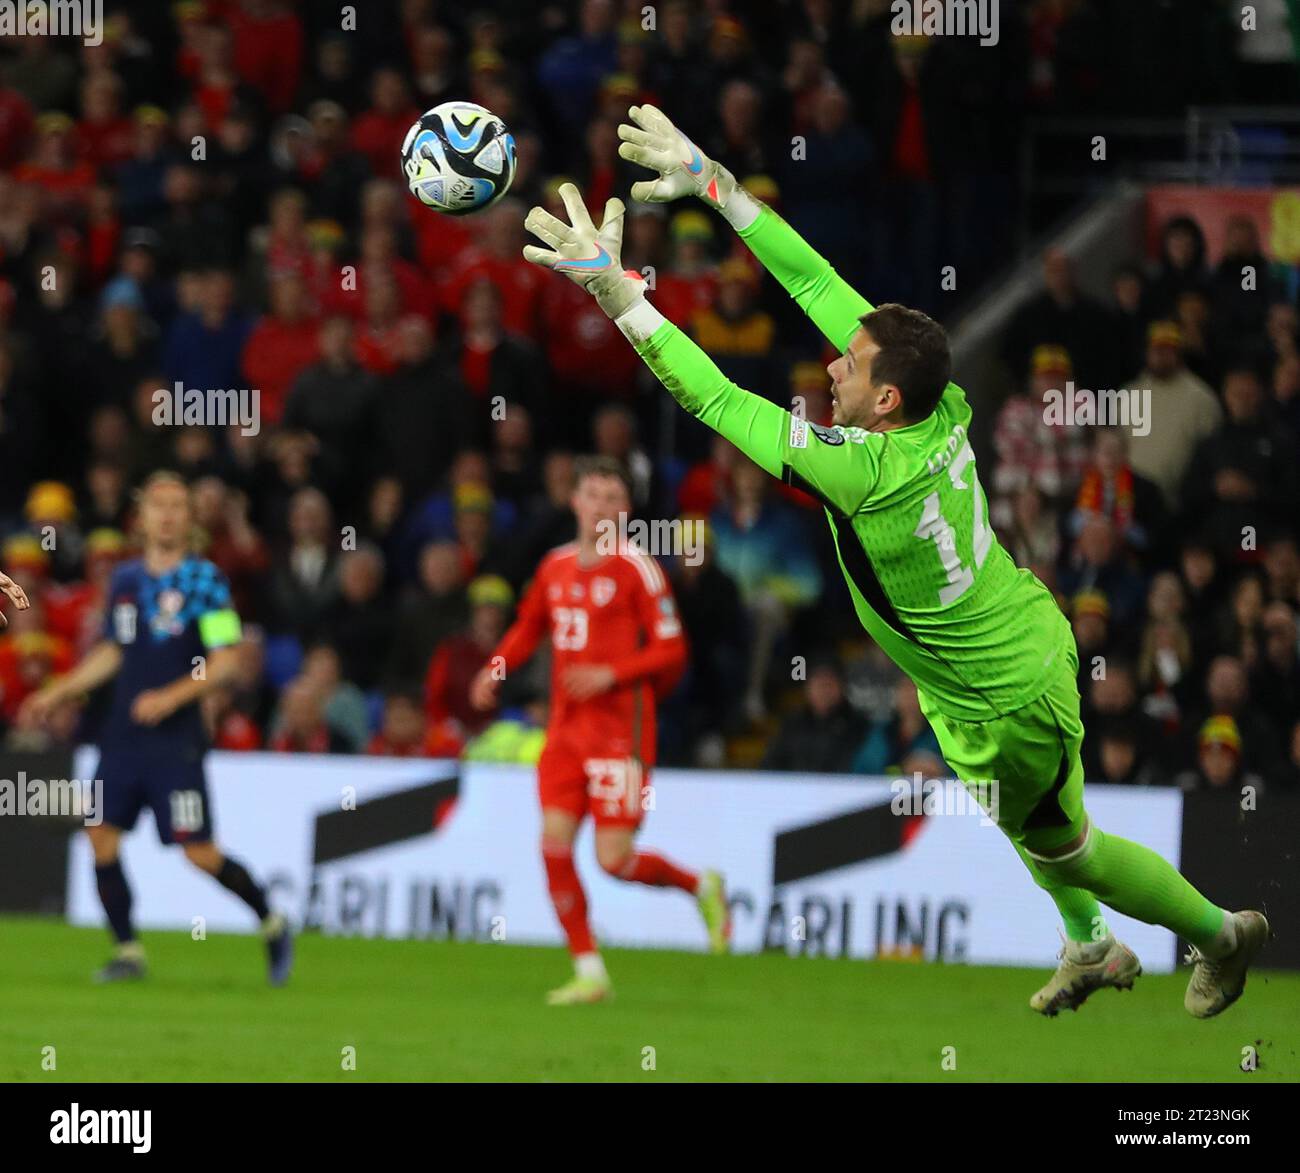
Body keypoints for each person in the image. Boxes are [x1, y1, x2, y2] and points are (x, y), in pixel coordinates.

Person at [517, 102, 1270, 1020]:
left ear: (881, 398)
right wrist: (715, 180)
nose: (832, 366)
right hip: (1020, 631)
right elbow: (819, 281)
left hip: (1003, 697)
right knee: (1029, 818)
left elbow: (713, 399)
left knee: (1070, 845)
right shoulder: (939, 398)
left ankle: (1219, 933)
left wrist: (619, 297)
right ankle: (1086, 941)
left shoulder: (863, 472)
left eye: (849, 364)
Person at [469, 456, 729, 1005]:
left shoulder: (639, 568)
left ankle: (699, 886)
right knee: (553, 845)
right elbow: (527, 628)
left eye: (613, 498)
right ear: (576, 502)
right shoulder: (555, 566)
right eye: (593, 496)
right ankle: (590, 971)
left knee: (614, 860)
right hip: (564, 730)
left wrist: (614, 674)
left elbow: (672, 649)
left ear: (626, 510)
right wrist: (493, 672)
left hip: (619, 730)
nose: (602, 508)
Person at [20, 471, 292, 986]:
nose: (167, 515)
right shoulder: (125, 581)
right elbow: (114, 652)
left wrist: (171, 696)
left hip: (176, 743)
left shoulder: (204, 580)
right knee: (101, 834)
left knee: (199, 853)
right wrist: (57, 692)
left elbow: (228, 660)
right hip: (122, 738)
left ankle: (271, 921)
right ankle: (128, 952)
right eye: (158, 506)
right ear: (141, 517)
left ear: (189, 519)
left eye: (177, 506)